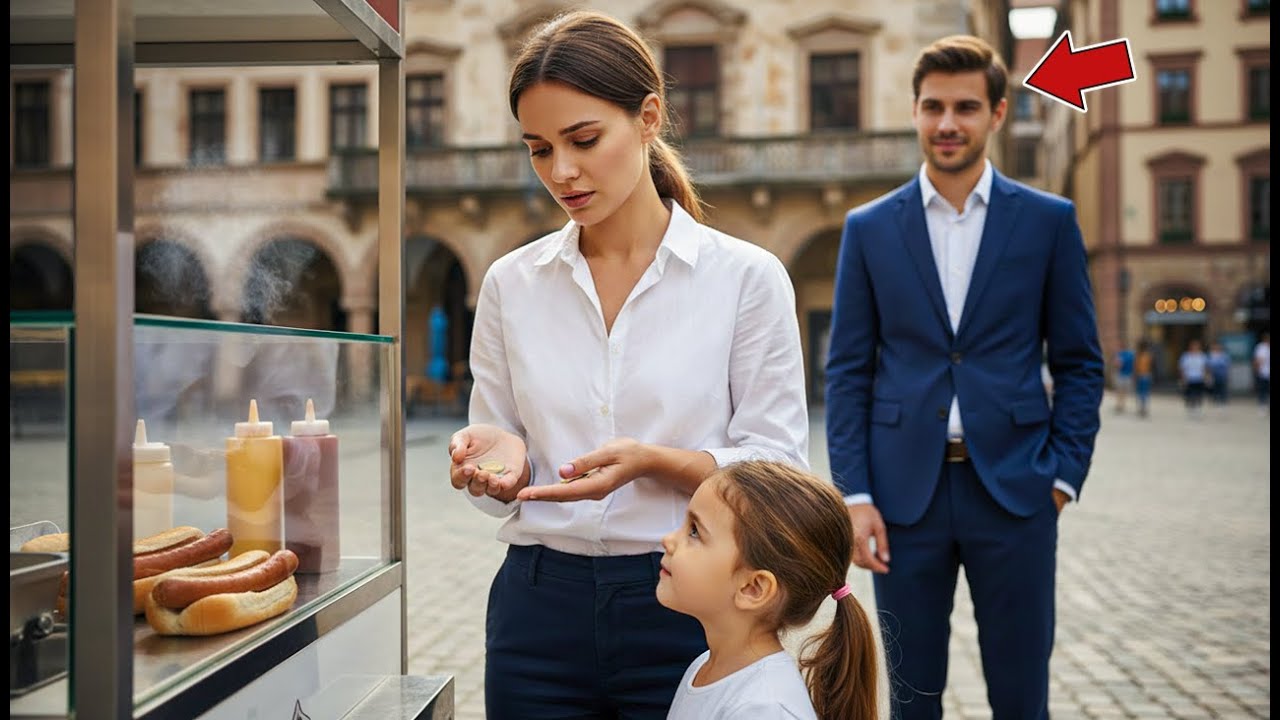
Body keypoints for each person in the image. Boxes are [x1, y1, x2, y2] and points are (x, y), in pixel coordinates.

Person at [445, 11, 809, 718]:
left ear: (649, 118)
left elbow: (780, 468)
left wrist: (654, 461)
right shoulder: (509, 285)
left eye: (583, 140)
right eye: (539, 149)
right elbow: (499, 444)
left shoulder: (746, 278)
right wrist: (501, 466)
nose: (562, 172)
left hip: (690, 609)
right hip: (535, 610)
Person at [824, 35, 1104, 719]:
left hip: (1015, 491)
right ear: (916, 112)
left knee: (1020, 692)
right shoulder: (868, 228)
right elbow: (848, 369)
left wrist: (1061, 479)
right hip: (900, 499)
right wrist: (856, 493)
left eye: (966, 107)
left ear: (998, 114)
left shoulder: (1048, 222)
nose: (948, 123)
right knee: (913, 696)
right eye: (933, 107)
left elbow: (1078, 361)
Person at [660, 461, 878, 720]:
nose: (668, 539)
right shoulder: (703, 668)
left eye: (694, 531)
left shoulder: (764, 709)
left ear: (753, 588)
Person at [1179, 339, 1208, 418]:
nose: (1195, 347)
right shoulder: (1186, 356)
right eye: (1193, 346)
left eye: (1197, 346)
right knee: (1190, 395)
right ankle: (1191, 409)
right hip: (1190, 378)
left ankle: (1198, 409)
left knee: (1199, 394)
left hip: (1199, 378)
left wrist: (1206, 377)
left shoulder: (1202, 356)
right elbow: (1183, 368)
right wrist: (1183, 378)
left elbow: (1204, 368)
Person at [1135, 339, 1155, 418]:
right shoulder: (1147, 355)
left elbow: (1136, 366)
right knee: (1144, 393)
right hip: (1145, 375)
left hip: (1143, 375)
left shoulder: (1141, 355)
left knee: (1141, 393)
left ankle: (1142, 408)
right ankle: (1143, 408)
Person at [1114, 344, 1136, 413]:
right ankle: (1122, 404)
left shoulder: (1120, 354)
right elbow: (1134, 365)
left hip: (1121, 375)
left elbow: (1118, 364)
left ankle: (1119, 405)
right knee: (1124, 391)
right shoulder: (1131, 354)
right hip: (1128, 375)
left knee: (1120, 391)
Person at [1254, 331, 1270, 414]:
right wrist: (1257, 370)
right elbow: (1258, 360)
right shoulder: (1261, 347)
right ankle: (1262, 407)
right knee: (1262, 391)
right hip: (1263, 372)